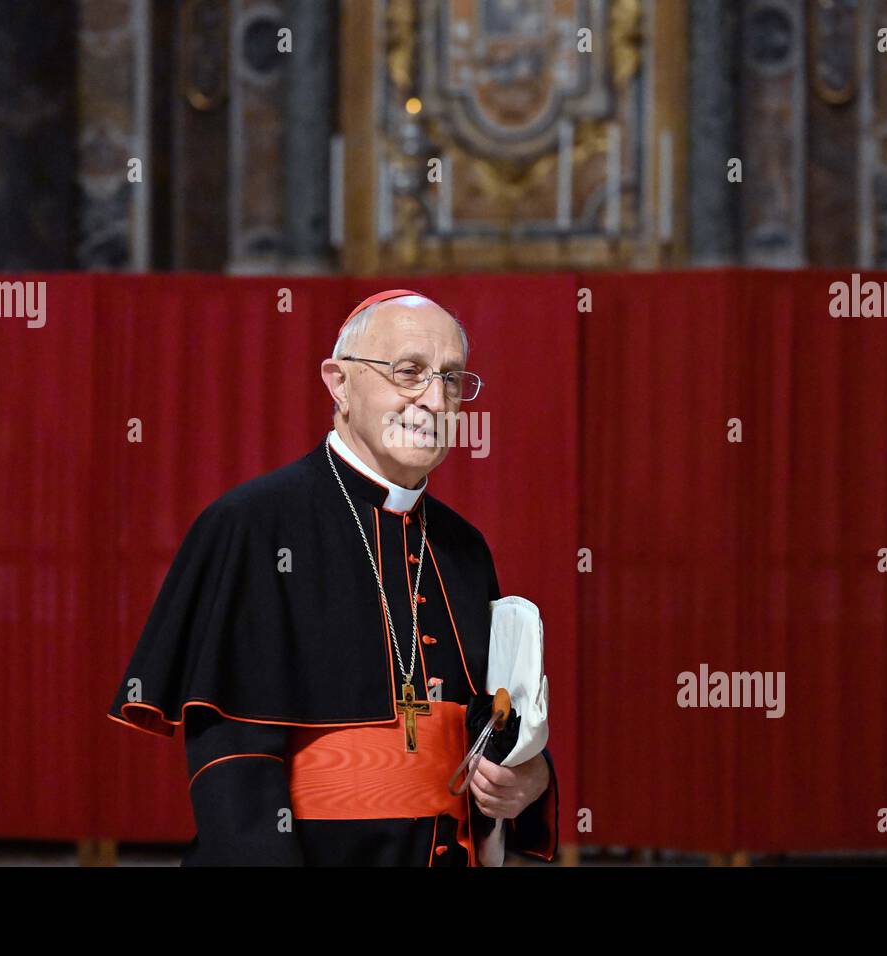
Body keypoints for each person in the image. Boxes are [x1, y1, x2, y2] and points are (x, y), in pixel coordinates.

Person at [107, 289, 558, 865]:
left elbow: (491, 722)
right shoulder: (253, 525)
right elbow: (235, 764)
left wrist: (531, 779)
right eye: (408, 372)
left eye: (451, 379)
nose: (434, 399)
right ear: (339, 383)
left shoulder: (464, 546)